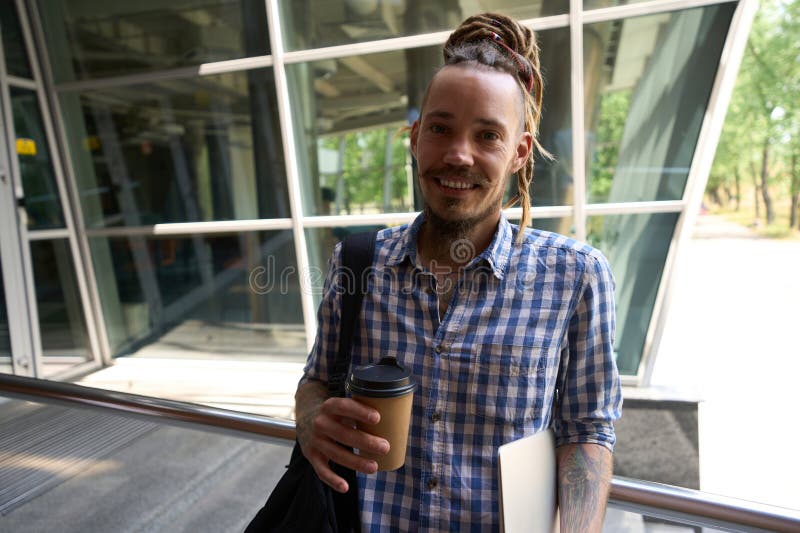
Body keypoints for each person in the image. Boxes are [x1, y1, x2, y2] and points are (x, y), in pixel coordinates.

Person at [295, 12, 622, 532]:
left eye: (487, 135)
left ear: (518, 152)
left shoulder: (576, 277)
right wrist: (311, 418)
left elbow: (587, 430)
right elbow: (315, 380)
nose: (458, 155)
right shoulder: (356, 262)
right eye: (441, 128)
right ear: (416, 136)